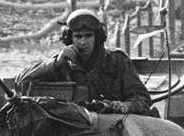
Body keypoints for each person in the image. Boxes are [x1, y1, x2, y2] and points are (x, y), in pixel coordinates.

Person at [14, 10, 156, 115]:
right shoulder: (61, 62)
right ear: (69, 39)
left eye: (88, 36)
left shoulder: (118, 61)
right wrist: (55, 64)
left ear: (98, 37)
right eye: (78, 36)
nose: (83, 42)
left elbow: (142, 99)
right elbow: (20, 82)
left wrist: (126, 105)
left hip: (113, 126)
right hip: (73, 129)